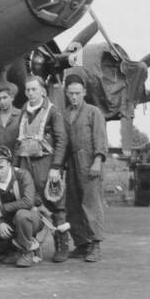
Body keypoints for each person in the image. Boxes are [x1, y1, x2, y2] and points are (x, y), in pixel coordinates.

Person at [14, 75, 70, 260]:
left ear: (43, 91)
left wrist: (56, 166)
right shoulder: (24, 110)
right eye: (28, 90)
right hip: (25, 163)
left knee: (55, 202)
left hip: (47, 163)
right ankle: (32, 246)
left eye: (34, 89)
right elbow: (19, 140)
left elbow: (62, 139)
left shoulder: (53, 111)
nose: (30, 93)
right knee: (29, 202)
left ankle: (62, 245)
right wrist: (15, 167)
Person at [61, 73, 108, 262]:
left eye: (77, 93)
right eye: (71, 93)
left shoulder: (93, 112)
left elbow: (100, 138)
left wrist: (97, 160)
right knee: (72, 205)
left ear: (84, 93)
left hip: (89, 162)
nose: (74, 97)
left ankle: (95, 244)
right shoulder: (64, 114)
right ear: (66, 93)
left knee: (91, 204)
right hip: (71, 163)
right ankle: (81, 244)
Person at [0, 145, 42, 268]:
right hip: (9, 221)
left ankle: (27, 251)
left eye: (1, 167)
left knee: (21, 215)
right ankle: (12, 249)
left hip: (30, 219)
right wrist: (0, 223)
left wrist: (3, 209)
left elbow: (28, 201)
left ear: (9, 163)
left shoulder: (22, 175)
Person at [0, 81, 22, 155]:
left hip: (19, 160)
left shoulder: (21, 115)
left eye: (5, 97)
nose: (2, 102)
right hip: (0, 161)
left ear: (12, 98)